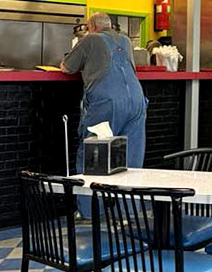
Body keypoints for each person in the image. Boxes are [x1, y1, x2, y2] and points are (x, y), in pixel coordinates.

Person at [61, 12, 147, 172]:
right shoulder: (126, 41)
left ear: (91, 27)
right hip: (137, 101)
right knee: (130, 160)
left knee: (96, 158)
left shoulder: (90, 39)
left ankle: (91, 197)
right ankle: (127, 197)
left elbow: (66, 67)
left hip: (107, 102)